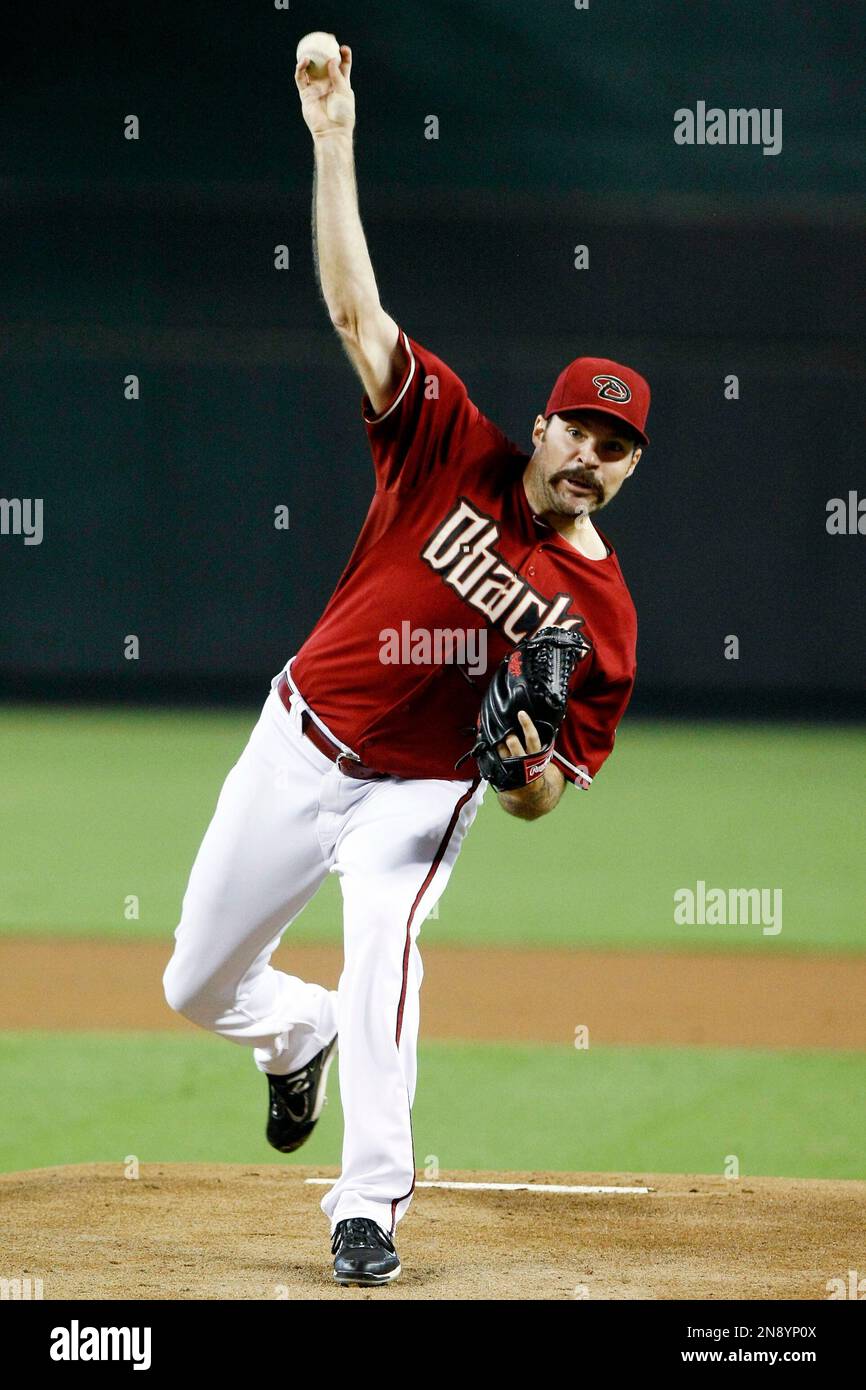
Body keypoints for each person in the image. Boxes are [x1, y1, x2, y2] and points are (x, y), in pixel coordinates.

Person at [162, 41, 651, 1289]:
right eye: (577, 429)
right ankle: (295, 1032)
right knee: (195, 983)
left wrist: (519, 763)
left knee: (384, 941)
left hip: (420, 789)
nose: (589, 455)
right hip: (300, 732)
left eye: (616, 445)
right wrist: (333, 138)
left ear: (630, 467)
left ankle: (365, 1203)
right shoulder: (445, 442)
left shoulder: (601, 616)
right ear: (539, 425)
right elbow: (352, 310)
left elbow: (544, 795)